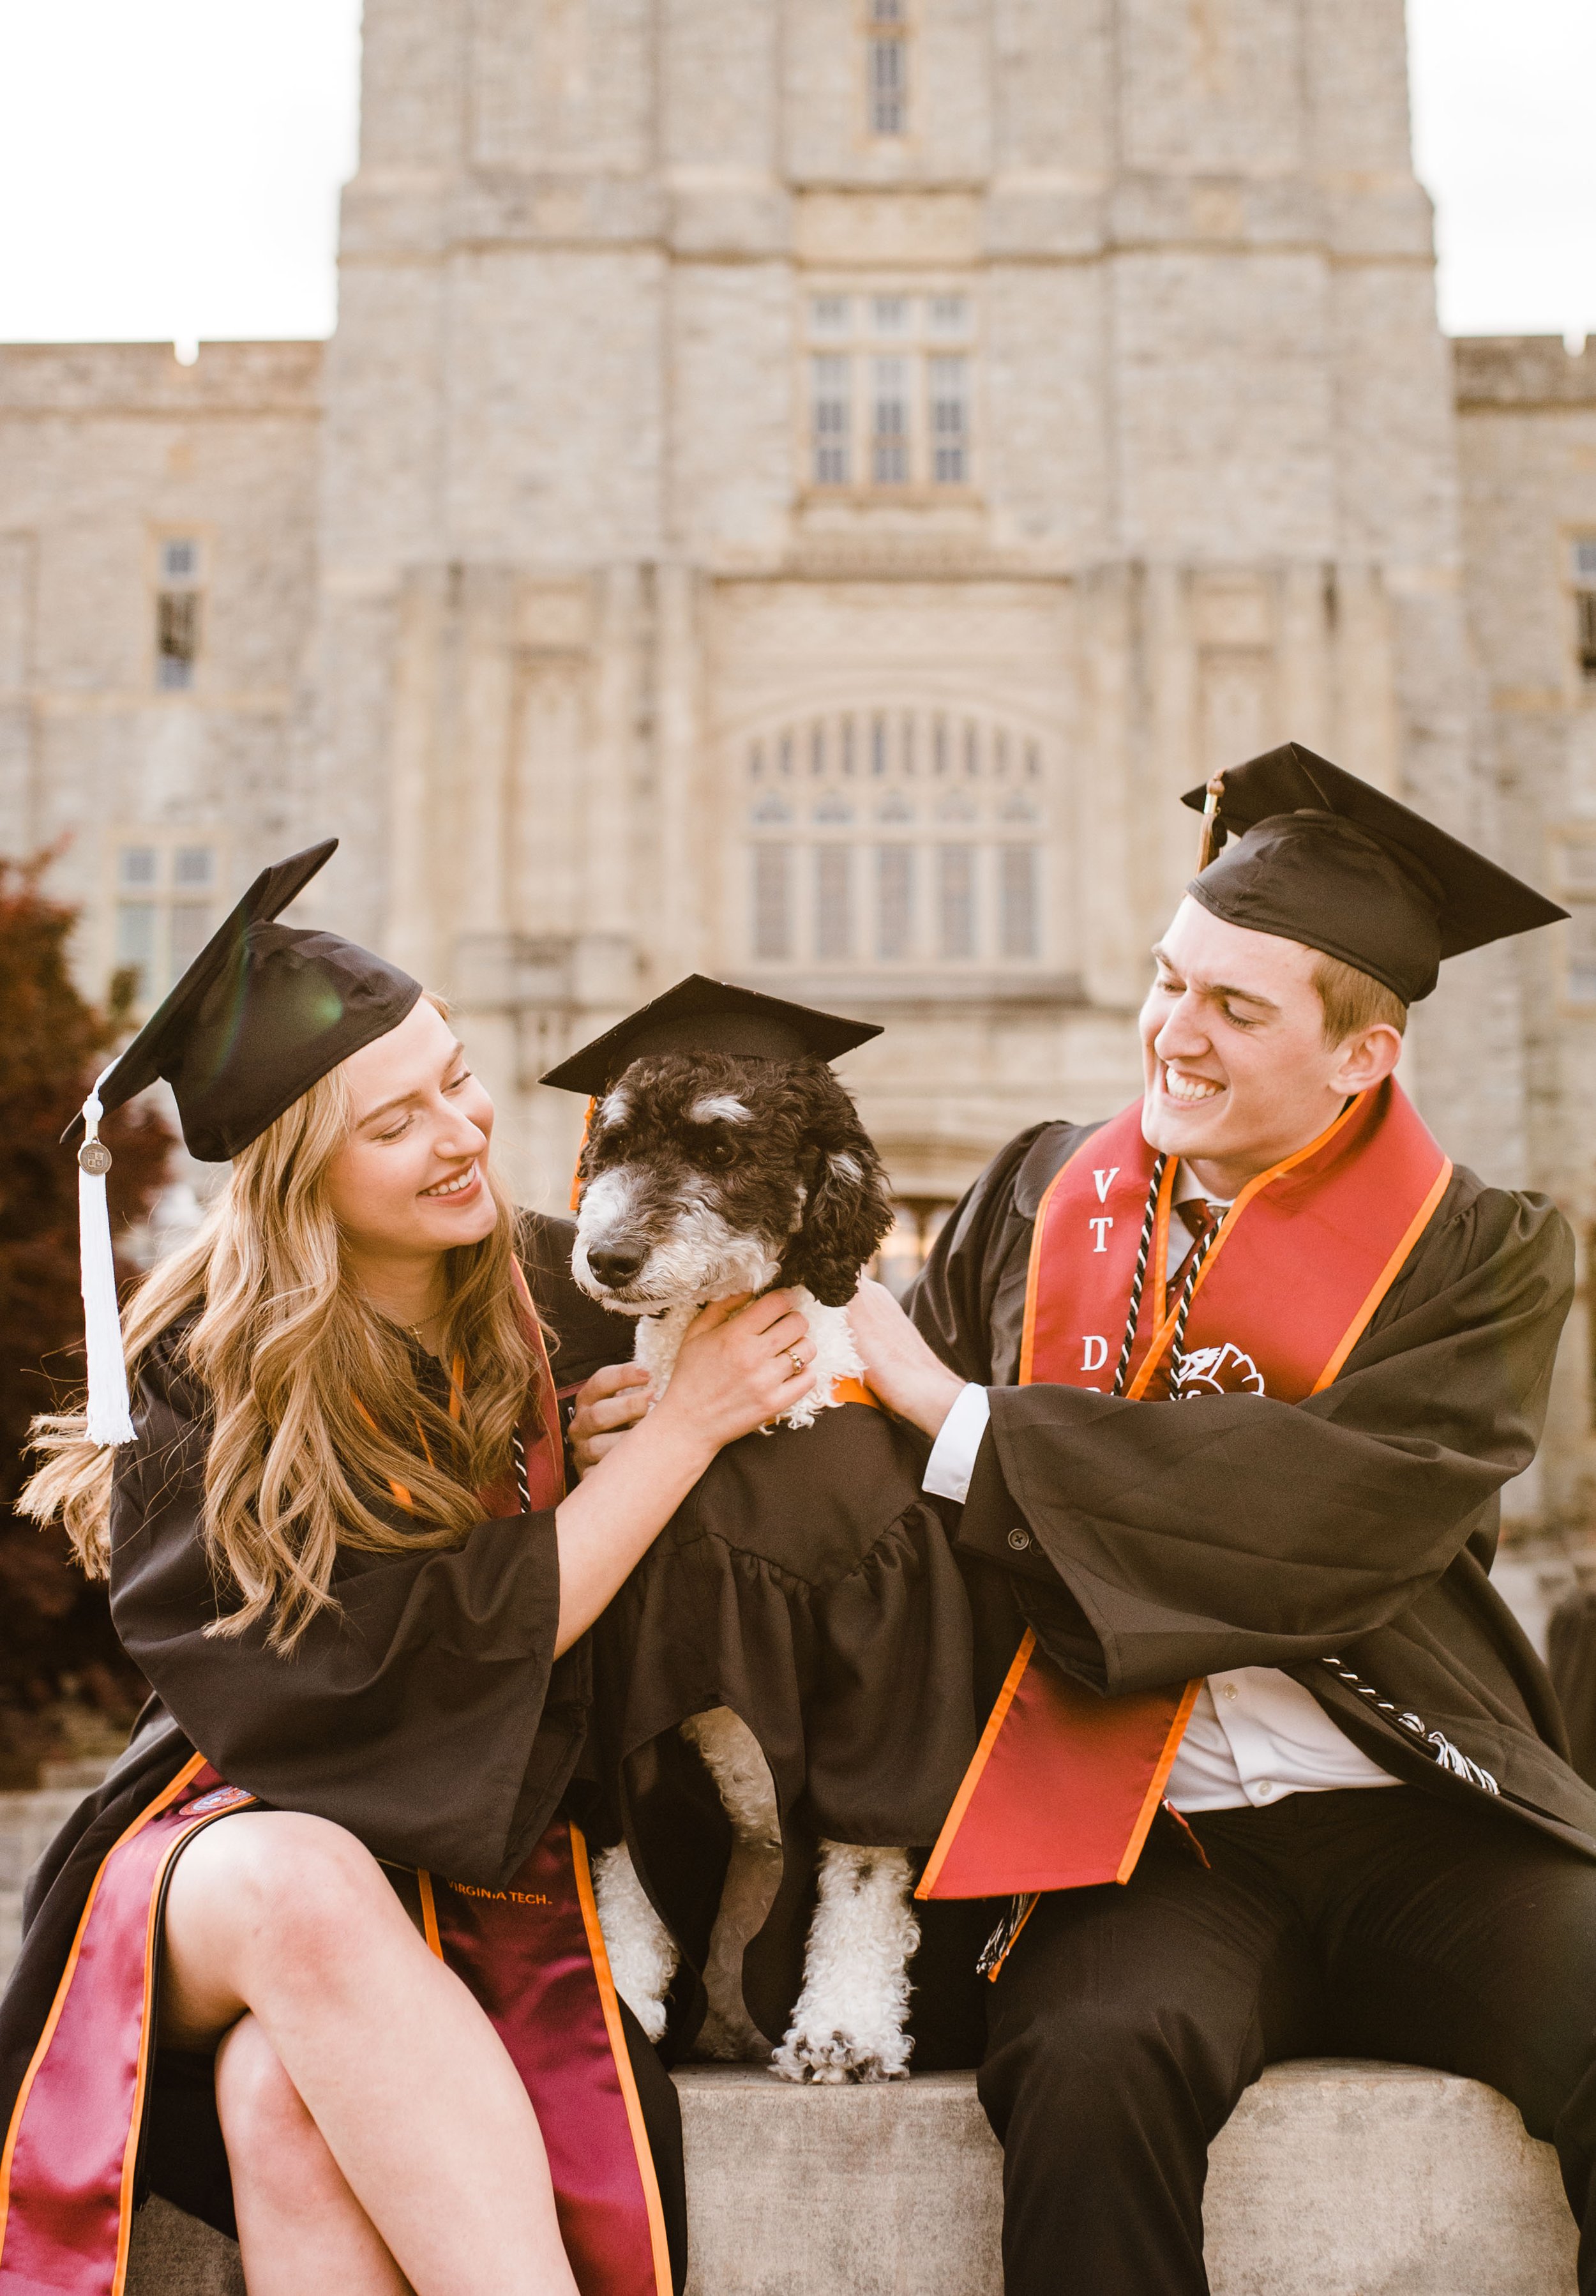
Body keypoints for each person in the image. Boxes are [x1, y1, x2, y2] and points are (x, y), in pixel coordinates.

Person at [0, 842, 818, 2296]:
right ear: (304, 1174)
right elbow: (363, 1683)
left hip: (470, 1883)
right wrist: (669, 1442)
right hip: (231, 1839)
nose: (459, 1132)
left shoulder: (572, 1295)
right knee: (308, 1883)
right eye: (395, 1121)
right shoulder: (198, 1379)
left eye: (454, 1074)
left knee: (281, 2100)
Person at [848, 743, 1596, 2295]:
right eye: (1166, 981)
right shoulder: (1039, 1194)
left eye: (1232, 1009)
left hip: (1409, 1794)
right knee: (1084, 2059)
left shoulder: (1481, 1255)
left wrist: (960, 1418)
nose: (1169, 1036)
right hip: (1143, 1838)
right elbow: (876, 1485)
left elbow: (1323, 1519)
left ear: (1360, 1057)